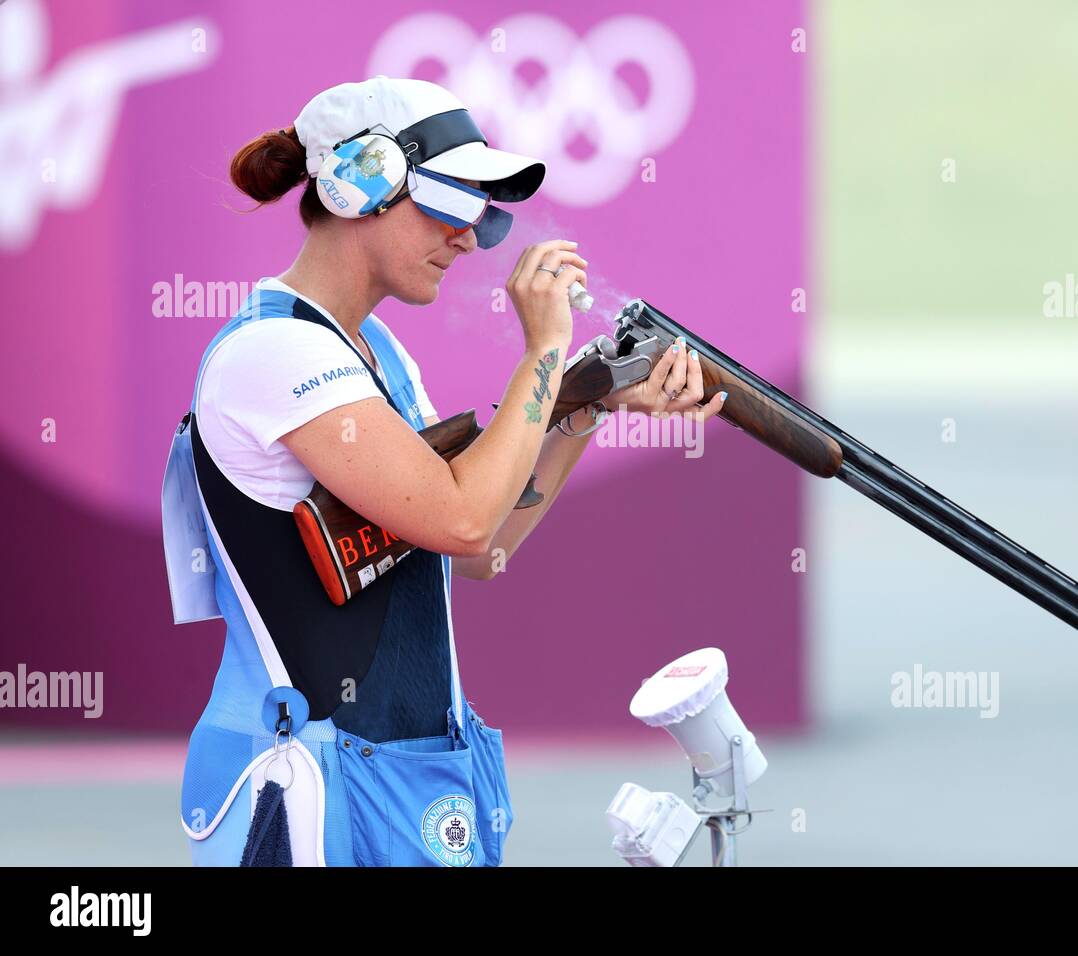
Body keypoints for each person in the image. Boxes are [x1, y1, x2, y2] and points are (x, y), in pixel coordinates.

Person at [163, 77, 726, 867]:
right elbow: (459, 517)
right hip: (311, 790)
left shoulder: (378, 354)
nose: (470, 238)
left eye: (483, 215)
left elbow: (480, 548)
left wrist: (586, 406)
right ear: (359, 186)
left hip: (398, 777)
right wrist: (545, 354)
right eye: (454, 203)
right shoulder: (274, 351)